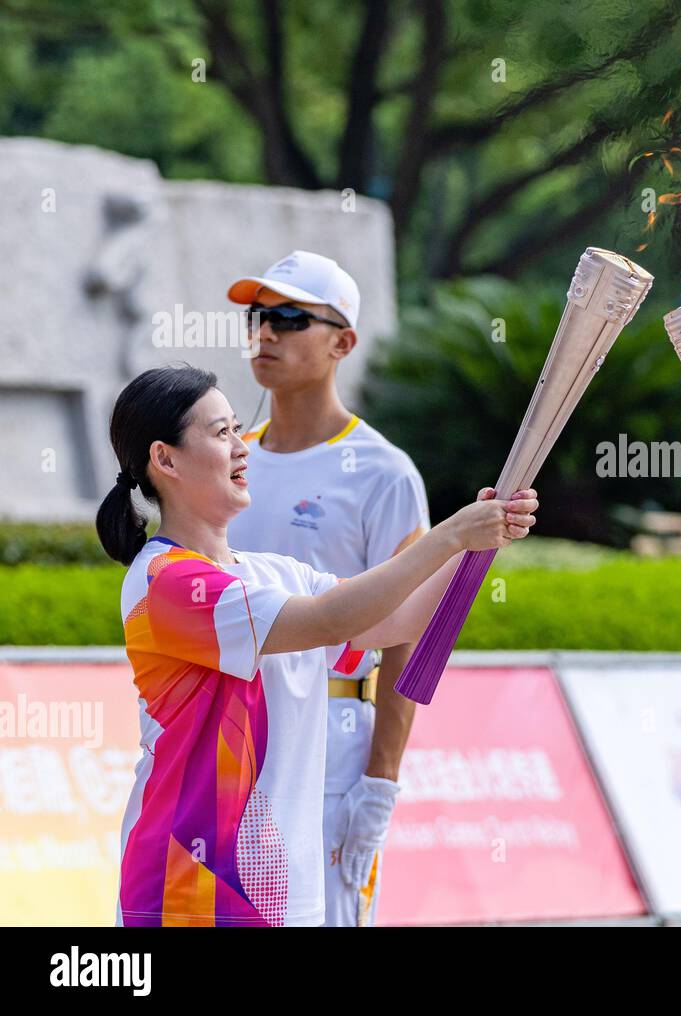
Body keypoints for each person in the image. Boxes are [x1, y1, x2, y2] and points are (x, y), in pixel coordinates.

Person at [96, 364, 538, 926]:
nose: (241, 448)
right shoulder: (166, 581)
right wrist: (452, 534)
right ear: (165, 459)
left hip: (282, 891)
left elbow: (397, 619)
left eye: (237, 429)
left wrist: (484, 540)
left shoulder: (273, 573)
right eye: (221, 433)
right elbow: (331, 620)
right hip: (191, 892)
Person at [225, 250, 434, 926]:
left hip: (332, 736)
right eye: (260, 317)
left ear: (343, 341)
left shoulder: (383, 473)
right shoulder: (225, 463)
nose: (267, 333)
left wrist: (379, 783)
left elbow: (413, 636)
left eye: (290, 318)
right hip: (232, 735)